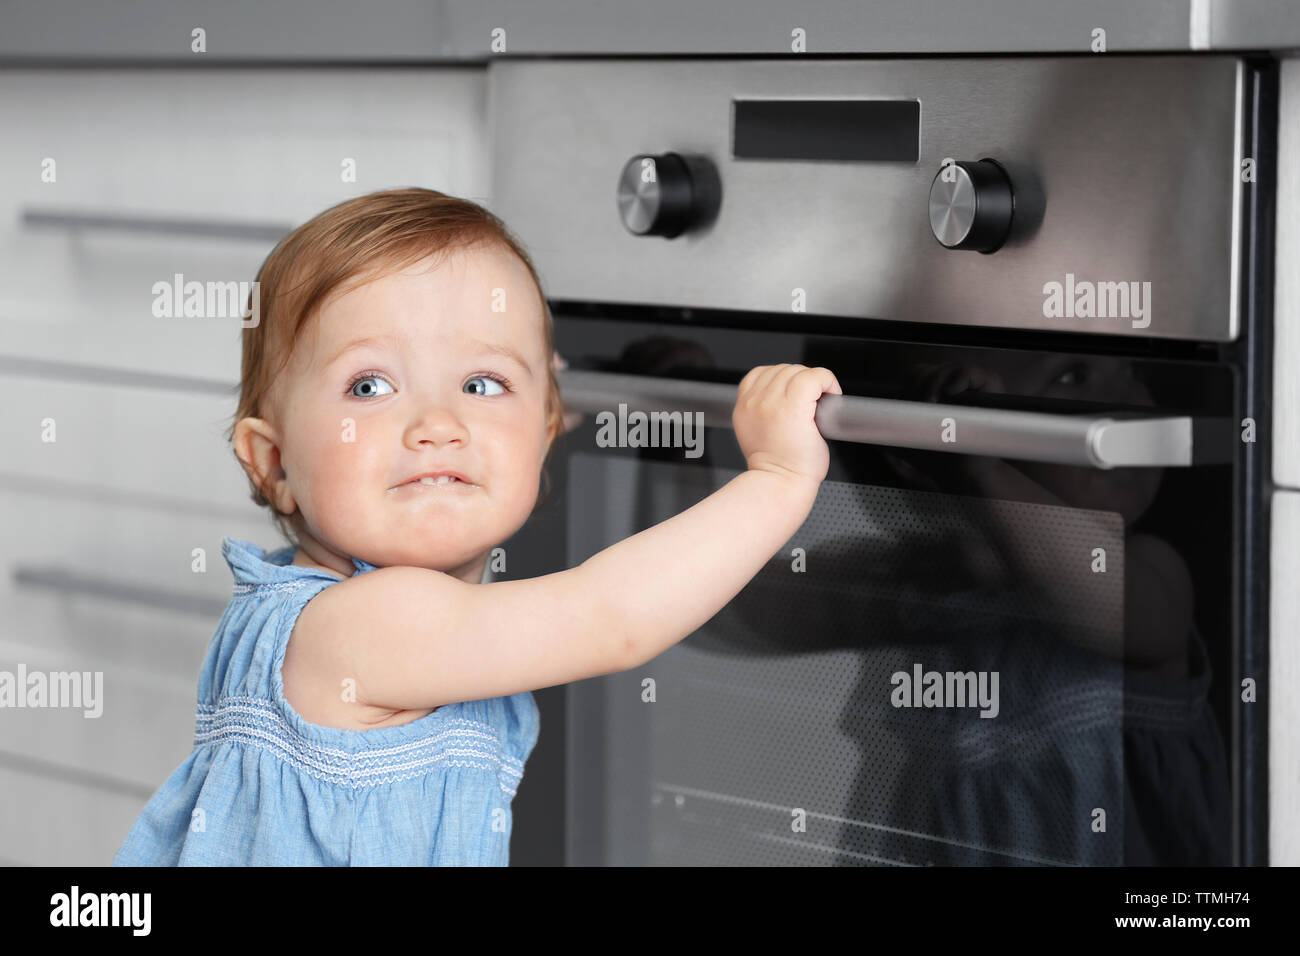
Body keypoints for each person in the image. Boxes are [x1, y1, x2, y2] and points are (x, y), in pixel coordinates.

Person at [110, 187, 840, 865]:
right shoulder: (364, 626)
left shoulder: (304, 603)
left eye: (481, 385)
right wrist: (776, 479)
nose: (437, 424)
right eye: (370, 386)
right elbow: (609, 616)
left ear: (546, 429)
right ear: (273, 464)